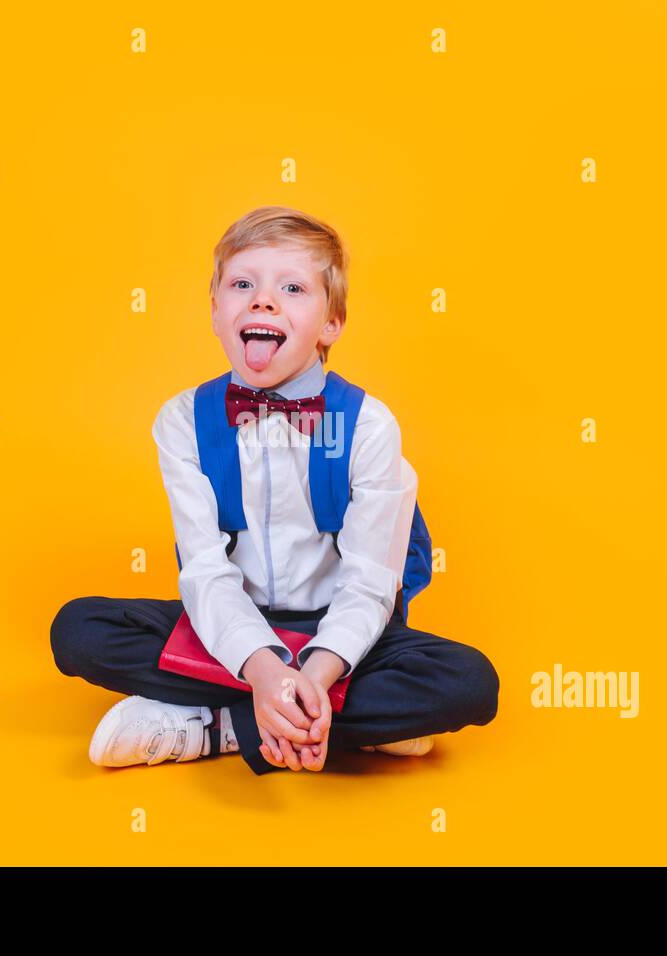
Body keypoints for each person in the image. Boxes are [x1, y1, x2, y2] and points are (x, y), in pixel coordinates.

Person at [50, 205, 498, 774]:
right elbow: (205, 574)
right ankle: (343, 722)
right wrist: (261, 668)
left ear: (331, 323)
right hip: (231, 628)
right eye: (243, 284)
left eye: (292, 287)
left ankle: (220, 727)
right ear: (216, 312)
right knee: (79, 630)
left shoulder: (366, 425)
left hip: (339, 637)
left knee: (467, 681)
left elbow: (369, 586)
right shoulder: (184, 420)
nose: (263, 300)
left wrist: (315, 670)